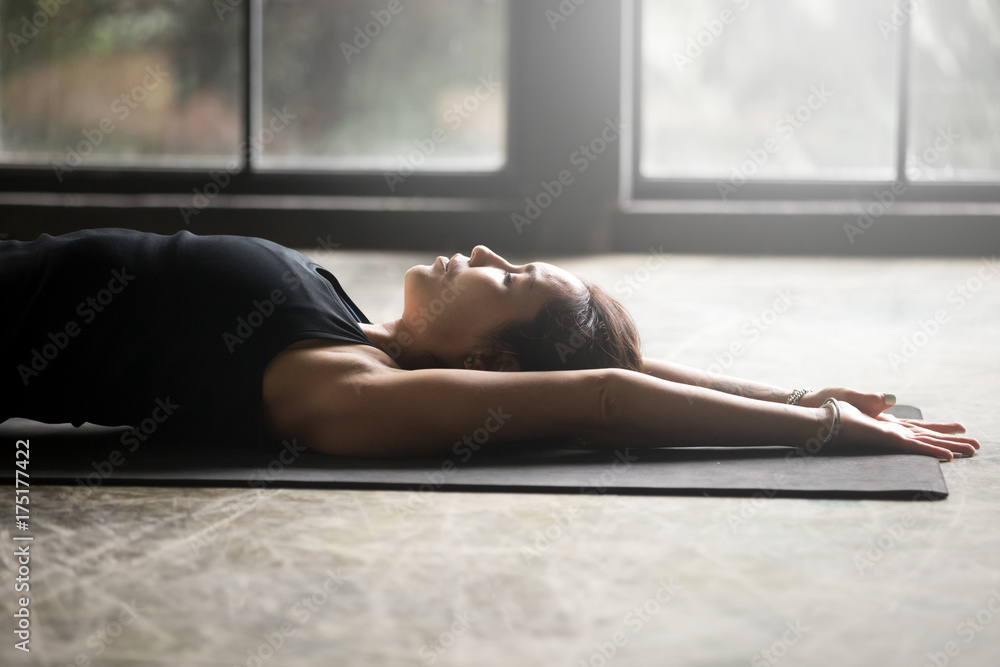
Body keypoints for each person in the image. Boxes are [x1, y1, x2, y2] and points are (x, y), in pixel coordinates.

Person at [2, 228, 979, 461]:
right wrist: (803, 393)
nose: (482, 250)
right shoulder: (356, 332)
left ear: (492, 367)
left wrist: (826, 437)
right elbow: (624, 373)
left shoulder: (335, 382)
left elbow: (605, 395)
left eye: (508, 279)